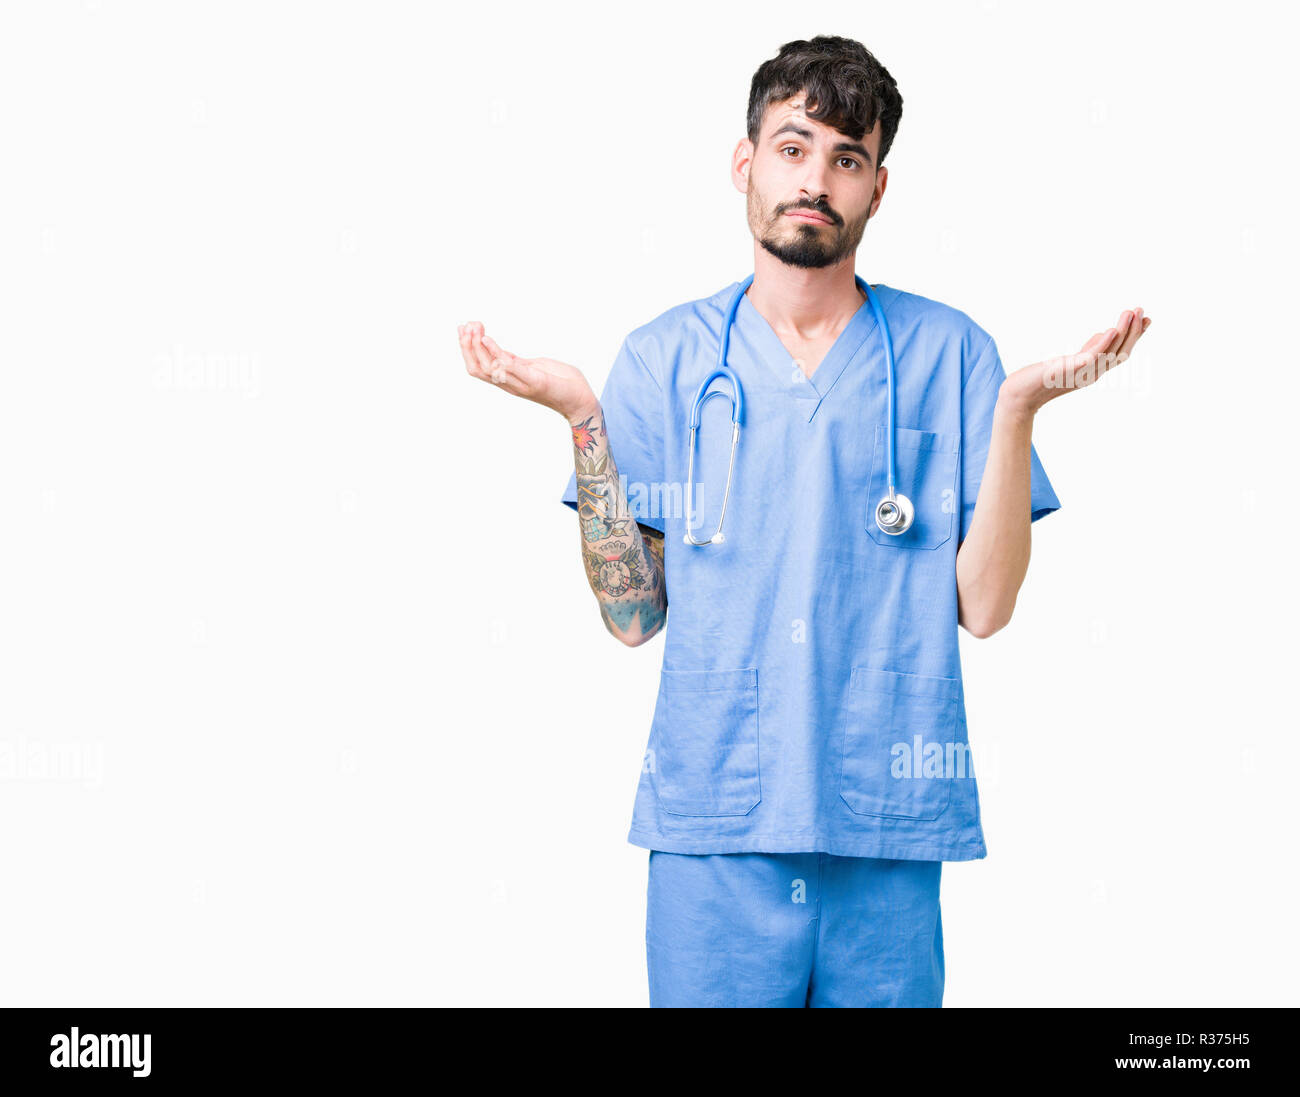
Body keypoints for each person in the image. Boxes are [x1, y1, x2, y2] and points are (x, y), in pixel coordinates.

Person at [457, 35, 1151, 1007]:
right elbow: (630, 617)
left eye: (846, 157)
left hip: (883, 827)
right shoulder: (662, 358)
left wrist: (1016, 412)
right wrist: (583, 419)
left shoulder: (952, 354)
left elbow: (985, 608)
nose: (815, 179)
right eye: (792, 147)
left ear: (876, 188)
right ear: (744, 163)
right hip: (714, 833)